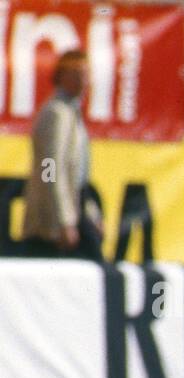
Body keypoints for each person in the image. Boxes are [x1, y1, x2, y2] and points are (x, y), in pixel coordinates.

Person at [19, 50, 102, 260]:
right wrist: (63, 220)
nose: (83, 80)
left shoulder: (72, 112)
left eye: (86, 74)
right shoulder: (56, 113)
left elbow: (79, 177)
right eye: (77, 74)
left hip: (75, 209)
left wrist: (91, 213)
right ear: (62, 76)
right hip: (54, 221)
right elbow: (51, 168)